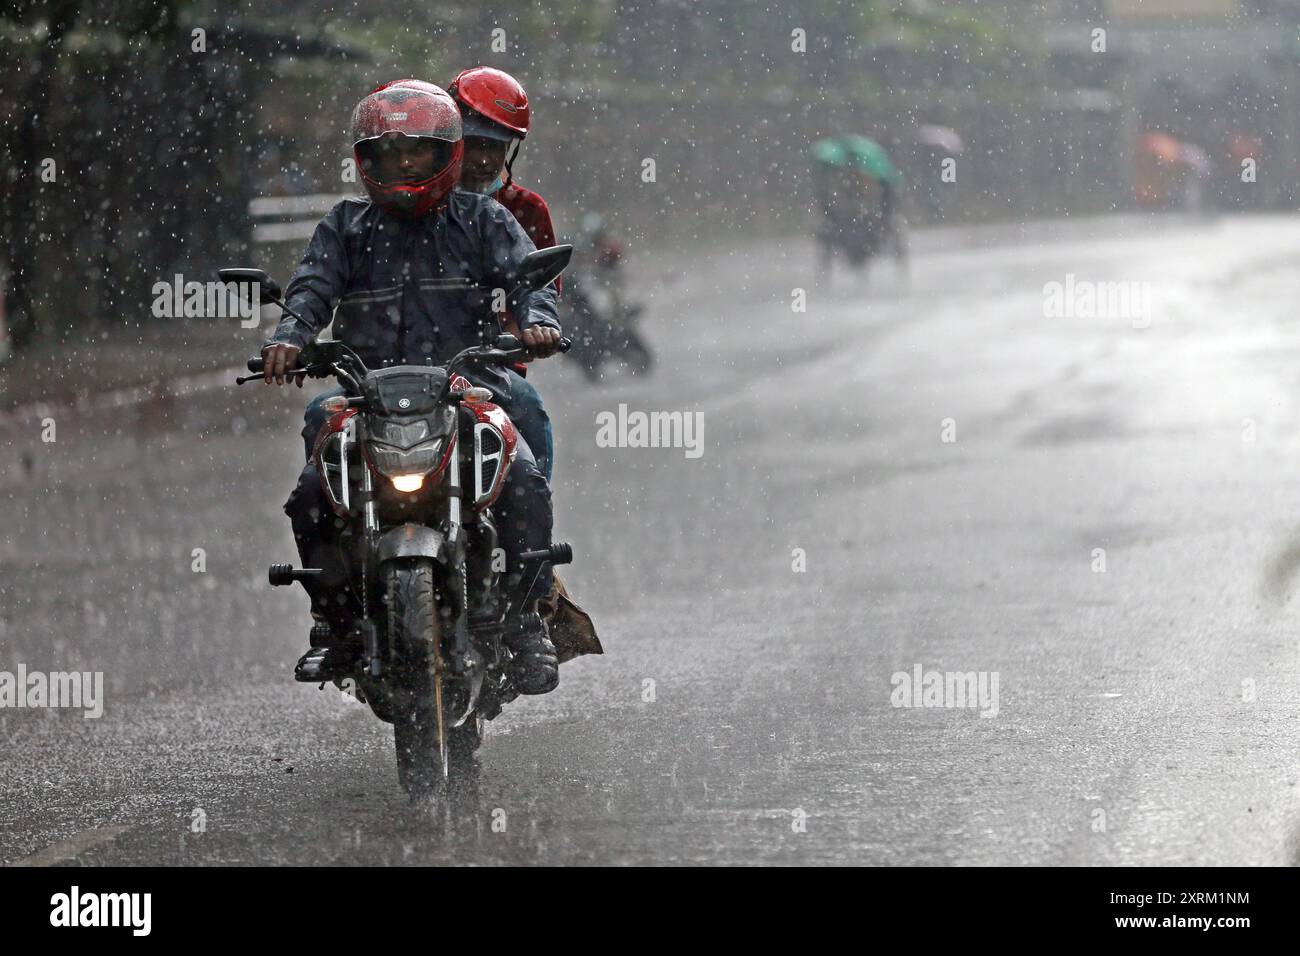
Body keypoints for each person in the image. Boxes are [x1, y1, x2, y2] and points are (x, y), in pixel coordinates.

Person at [262, 79, 563, 695]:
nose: (404, 161)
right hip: (363, 391)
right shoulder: (345, 225)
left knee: (525, 481)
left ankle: (527, 618)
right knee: (309, 490)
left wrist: (539, 323)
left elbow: (529, 279)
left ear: (443, 152)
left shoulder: (484, 218)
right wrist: (291, 335)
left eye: (417, 149)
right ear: (366, 160)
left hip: (470, 385)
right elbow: (313, 286)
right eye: (390, 149)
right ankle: (334, 622)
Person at [447, 66, 557, 482]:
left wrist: (531, 330)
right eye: (472, 143)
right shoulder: (405, 209)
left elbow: (538, 289)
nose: (482, 160)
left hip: (487, 370)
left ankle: (531, 545)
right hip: (397, 372)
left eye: (495, 146)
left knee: (529, 412)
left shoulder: (526, 211)